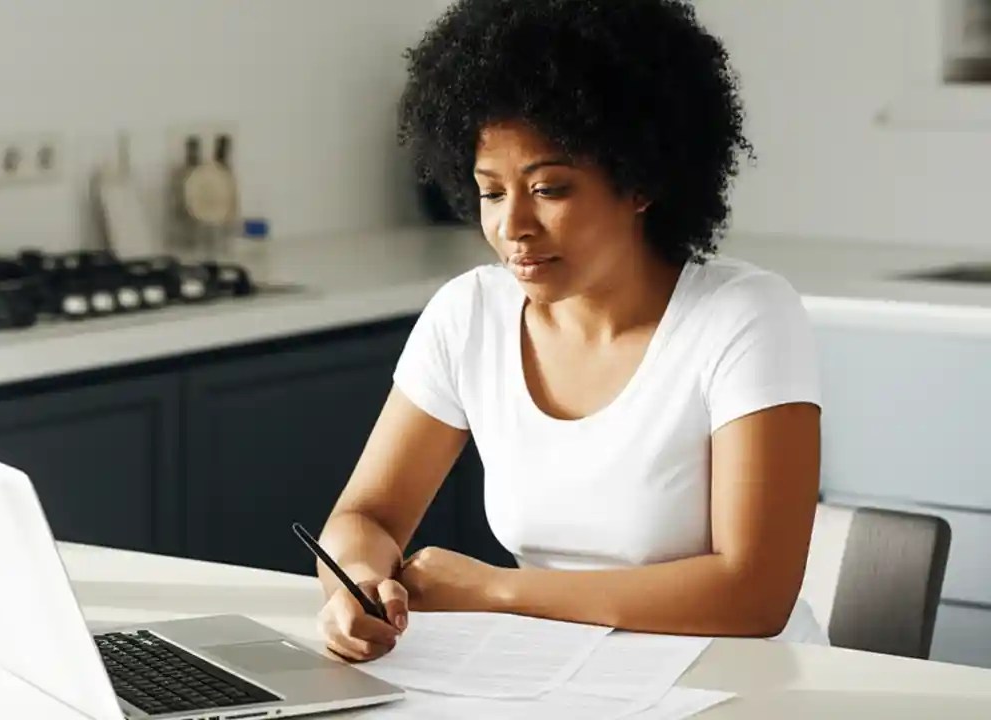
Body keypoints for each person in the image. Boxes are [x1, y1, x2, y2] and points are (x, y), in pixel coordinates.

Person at [315, 0, 824, 662]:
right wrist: (356, 585)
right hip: (562, 677)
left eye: (550, 189)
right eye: (492, 193)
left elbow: (753, 594)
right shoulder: (469, 315)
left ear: (639, 180)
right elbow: (366, 520)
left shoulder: (744, 318)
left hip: (745, 685)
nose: (512, 227)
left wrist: (497, 592)